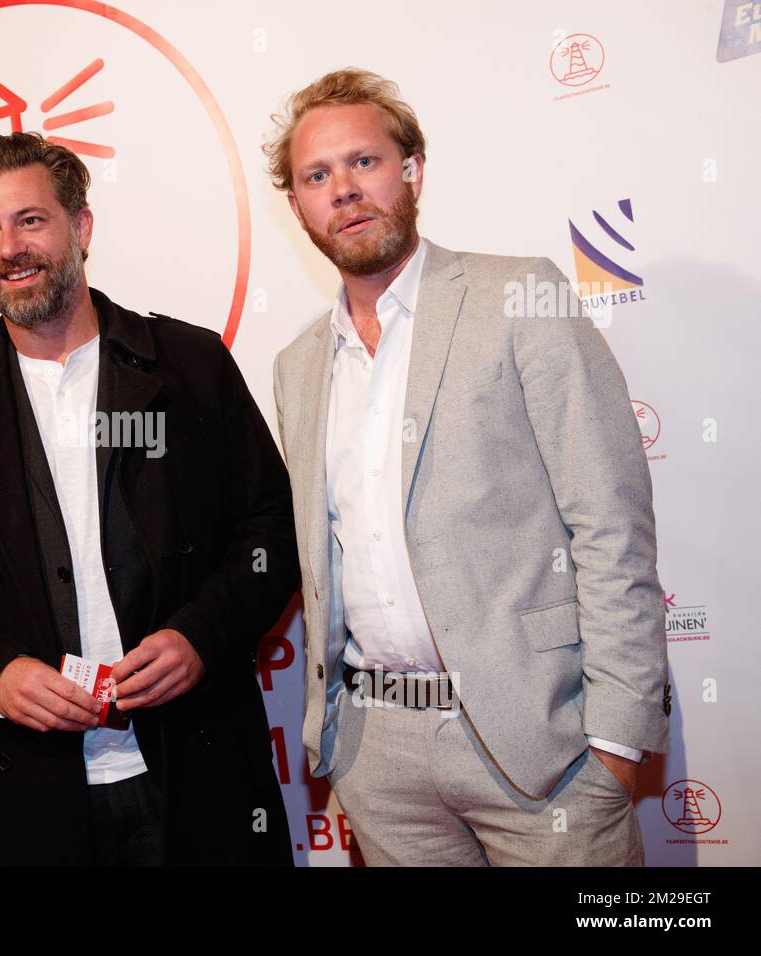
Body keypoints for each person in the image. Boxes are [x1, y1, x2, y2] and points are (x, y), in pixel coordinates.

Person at [267, 69, 670, 865]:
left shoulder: (518, 296)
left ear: (412, 170)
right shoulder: (297, 365)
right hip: (378, 755)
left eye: (364, 162)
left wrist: (617, 743)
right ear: (298, 207)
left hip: (540, 744)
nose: (343, 190)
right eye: (318, 175)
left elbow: (610, 521)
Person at [0, 132, 298, 866]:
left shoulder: (188, 365)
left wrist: (200, 636)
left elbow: (270, 531)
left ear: (81, 227)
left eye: (30, 220)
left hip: (199, 769)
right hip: (32, 792)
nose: (9, 247)